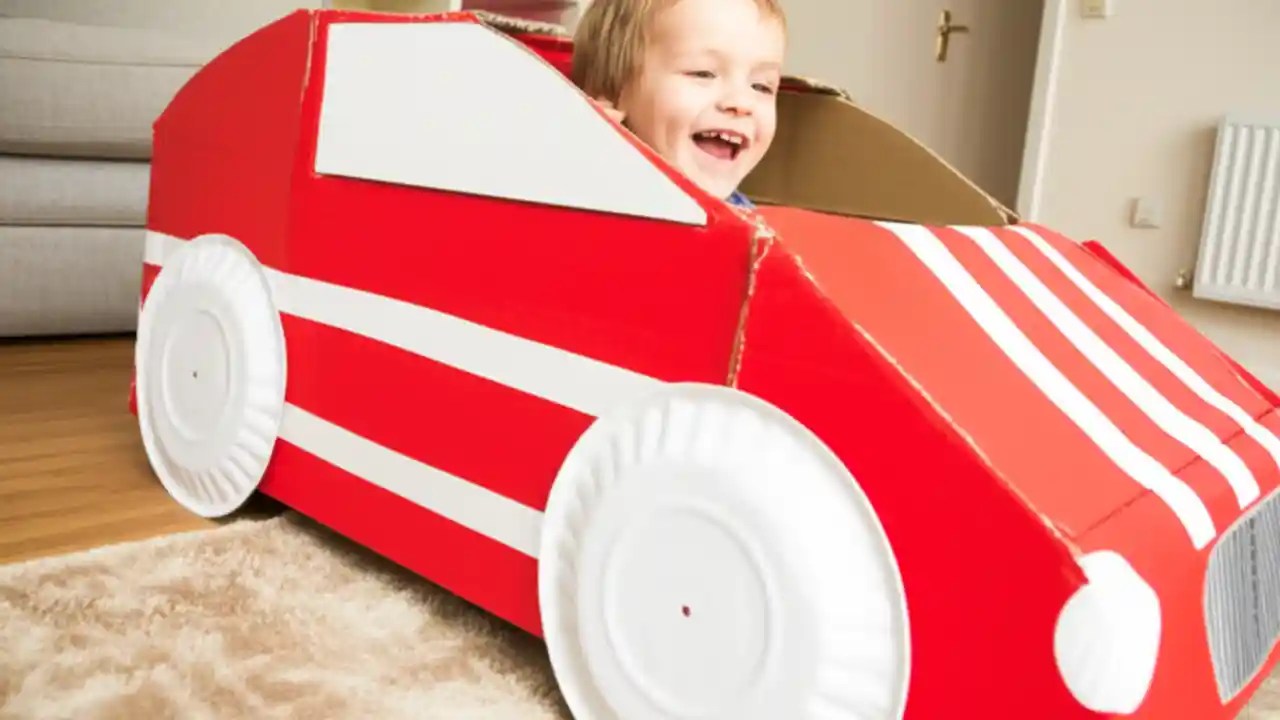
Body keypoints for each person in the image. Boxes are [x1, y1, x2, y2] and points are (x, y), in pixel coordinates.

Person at [571, 0, 787, 210]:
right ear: (611, 94)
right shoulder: (574, 208)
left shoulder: (752, 236)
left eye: (761, 86)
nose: (741, 103)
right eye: (703, 74)